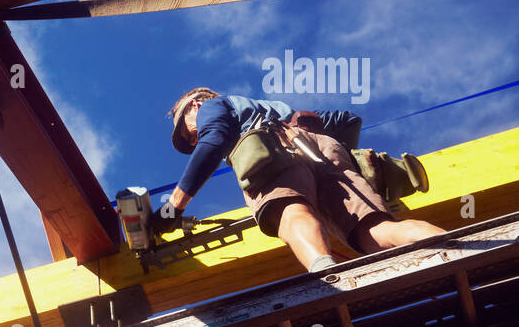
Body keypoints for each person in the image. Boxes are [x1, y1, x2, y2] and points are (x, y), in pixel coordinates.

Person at [165, 88, 444, 273]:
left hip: (269, 151)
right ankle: (452, 248)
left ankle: (327, 274)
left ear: (194, 104)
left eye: (188, 132)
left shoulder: (212, 106)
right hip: (324, 148)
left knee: (290, 212)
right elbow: (347, 120)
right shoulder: (274, 109)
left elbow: (213, 141)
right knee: (373, 229)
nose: (193, 138)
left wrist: (172, 208)